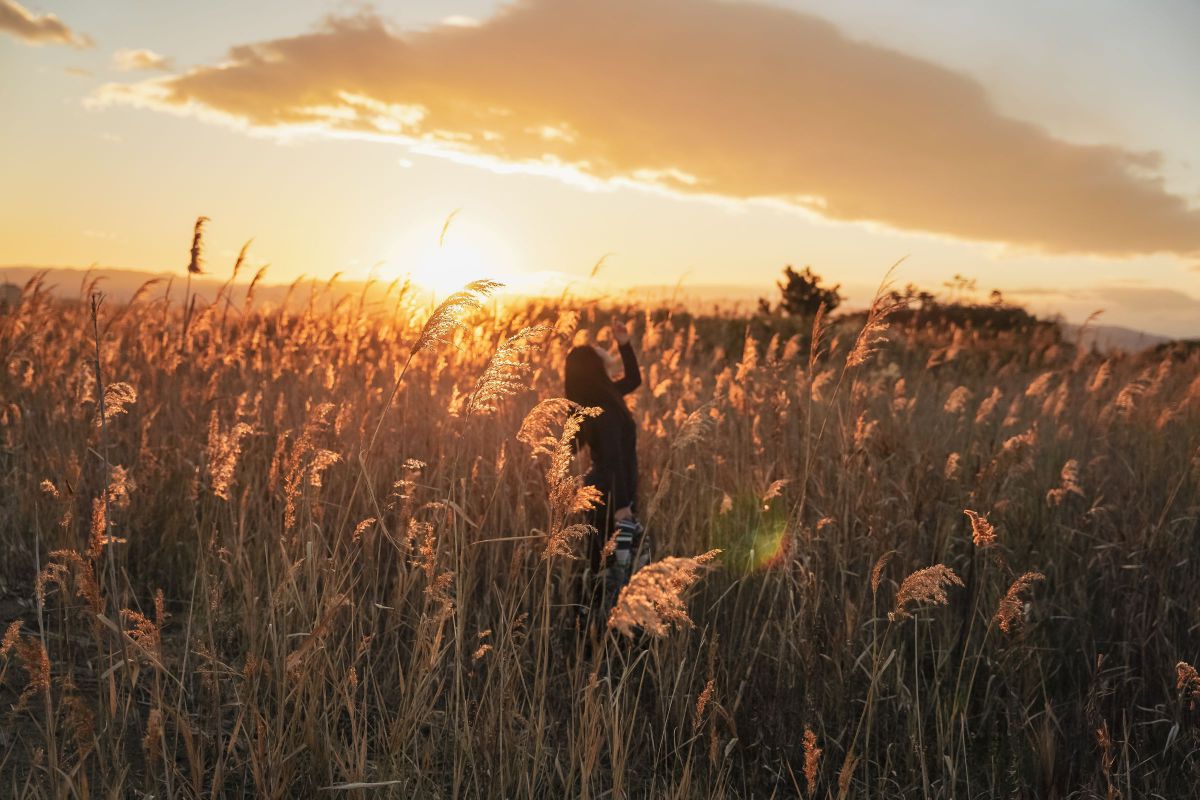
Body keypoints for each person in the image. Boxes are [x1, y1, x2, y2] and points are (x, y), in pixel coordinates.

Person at [564, 320, 643, 595]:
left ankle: (596, 624)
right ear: (593, 366)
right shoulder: (603, 408)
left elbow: (634, 379)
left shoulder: (605, 395)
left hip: (611, 489)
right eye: (596, 349)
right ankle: (598, 628)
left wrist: (624, 344)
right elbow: (612, 461)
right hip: (610, 495)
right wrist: (622, 506)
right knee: (612, 570)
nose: (600, 348)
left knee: (609, 565)